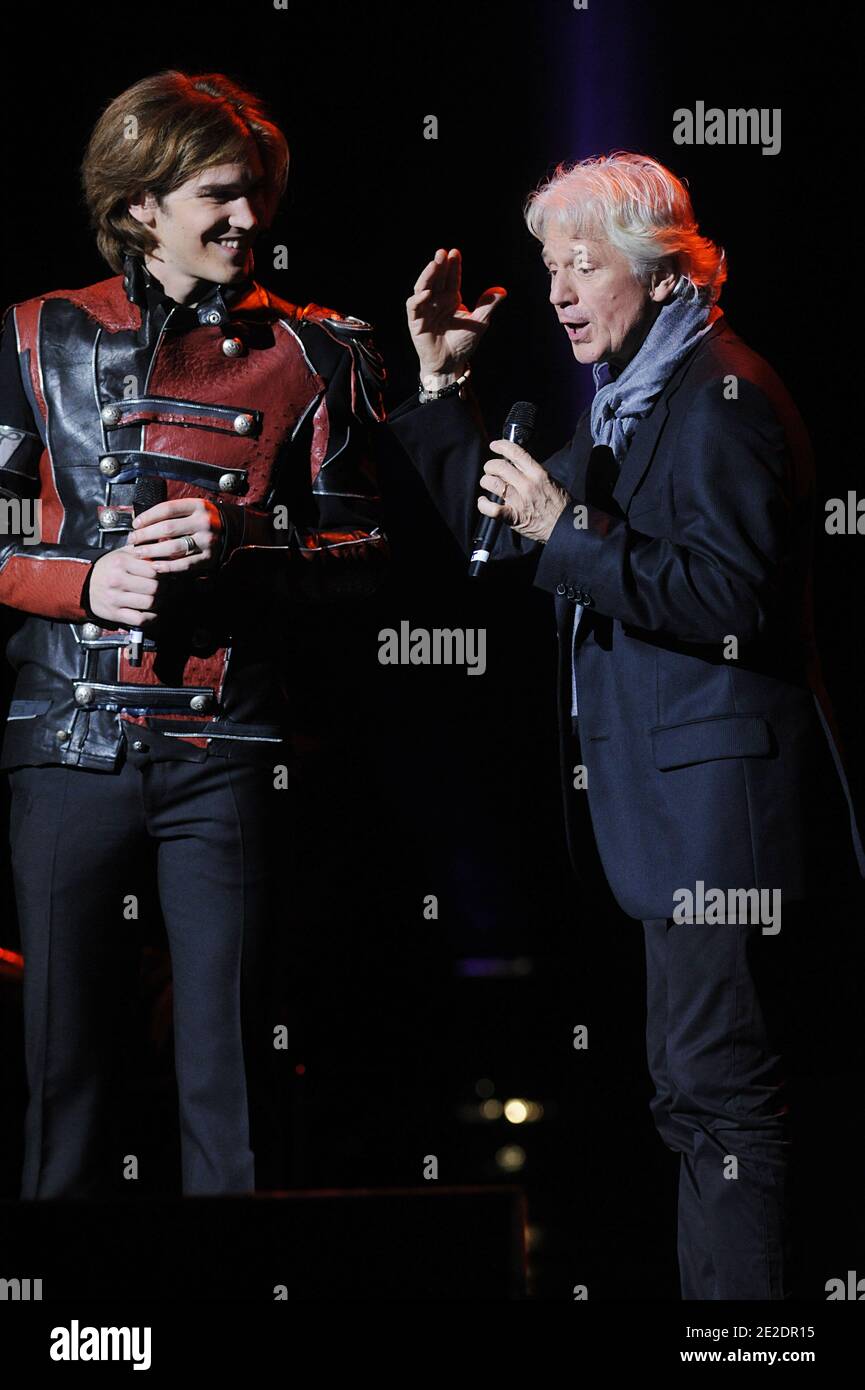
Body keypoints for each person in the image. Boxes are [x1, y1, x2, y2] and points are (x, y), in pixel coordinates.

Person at [386, 151, 865, 1300]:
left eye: (581, 265)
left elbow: (729, 596)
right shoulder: (632, 401)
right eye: (548, 266)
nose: (554, 292)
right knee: (698, 1102)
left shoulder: (721, 394)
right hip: (674, 834)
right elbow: (502, 537)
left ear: (656, 270)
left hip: (725, 831)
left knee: (722, 1105)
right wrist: (442, 388)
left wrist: (569, 529)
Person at [0, 70, 387, 1198]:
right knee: (61, 1080)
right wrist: (85, 585)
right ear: (138, 206)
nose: (250, 219)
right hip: (67, 745)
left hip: (230, 754)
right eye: (222, 193)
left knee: (236, 1088)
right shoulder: (32, 336)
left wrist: (245, 537)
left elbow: (363, 558)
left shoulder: (319, 355)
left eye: (258, 192)